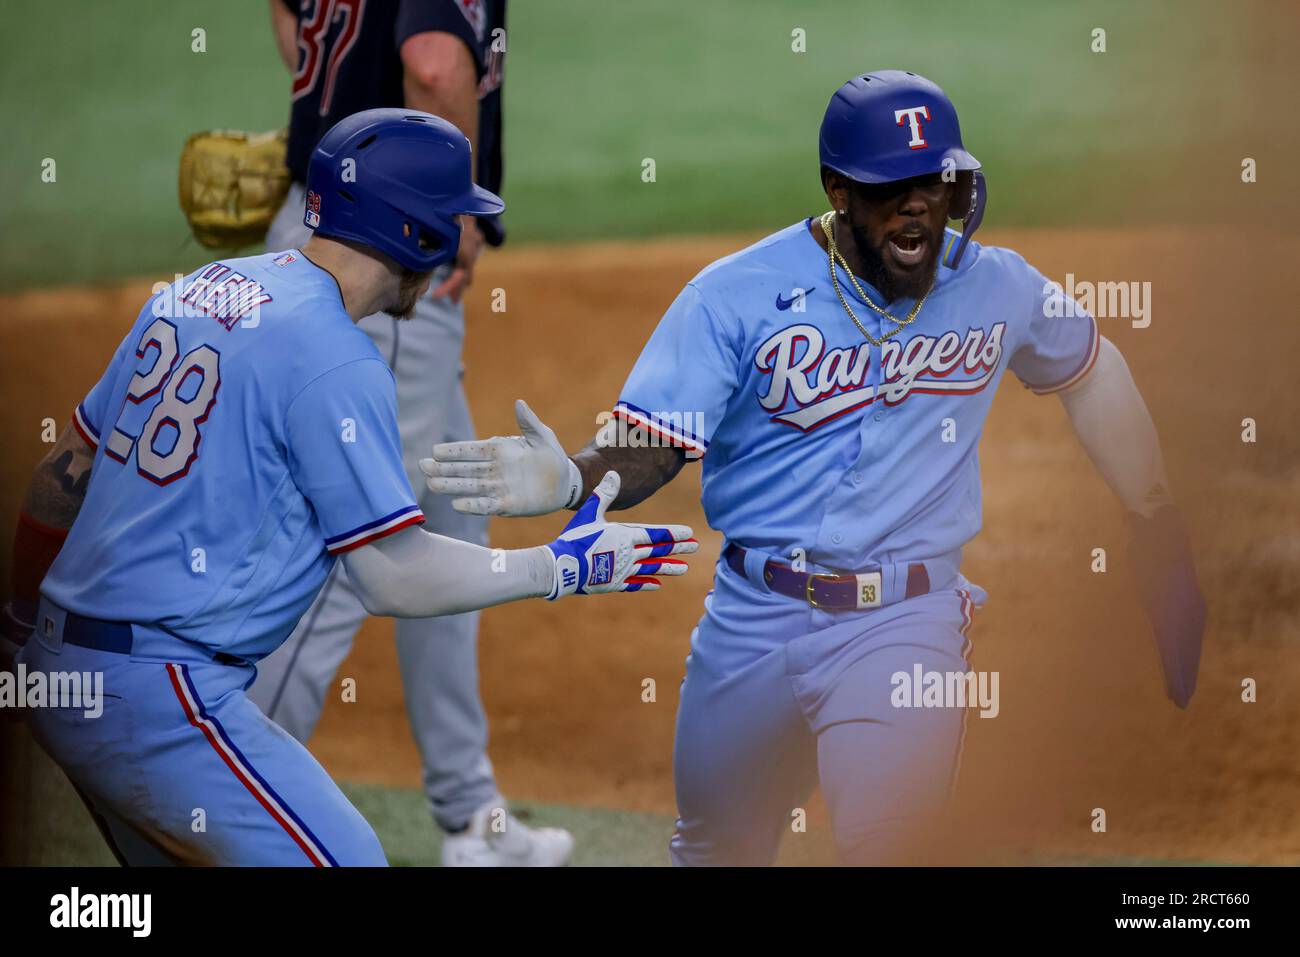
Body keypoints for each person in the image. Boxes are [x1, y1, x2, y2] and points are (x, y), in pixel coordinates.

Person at [421, 70, 1207, 865]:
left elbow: (1090, 366)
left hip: (904, 623)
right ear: (838, 189)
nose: (918, 204)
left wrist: (1156, 515)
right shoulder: (734, 296)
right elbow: (659, 439)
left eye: (937, 181)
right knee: (714, 848)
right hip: (748, 622)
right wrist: (573, 478)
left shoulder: (996, 286)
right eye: (891, 186)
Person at [7, 109, 695, 866]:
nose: (462, 237)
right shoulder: (340, 358)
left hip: (57, 667)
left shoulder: (198, 288)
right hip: (156, 700)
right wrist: (563, 566)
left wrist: (25, 629)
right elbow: (390, 572)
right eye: (455, 220)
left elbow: (62, 475)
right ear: (418, 235)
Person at [259, 1, 555, 866]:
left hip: (335, 220)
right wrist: (448, 216)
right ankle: (226, 785)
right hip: (390, 257)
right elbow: (434, 65)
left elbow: (291, 14)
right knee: (358, 547)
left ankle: (471, 815)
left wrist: (326, 127)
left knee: (454, 509)